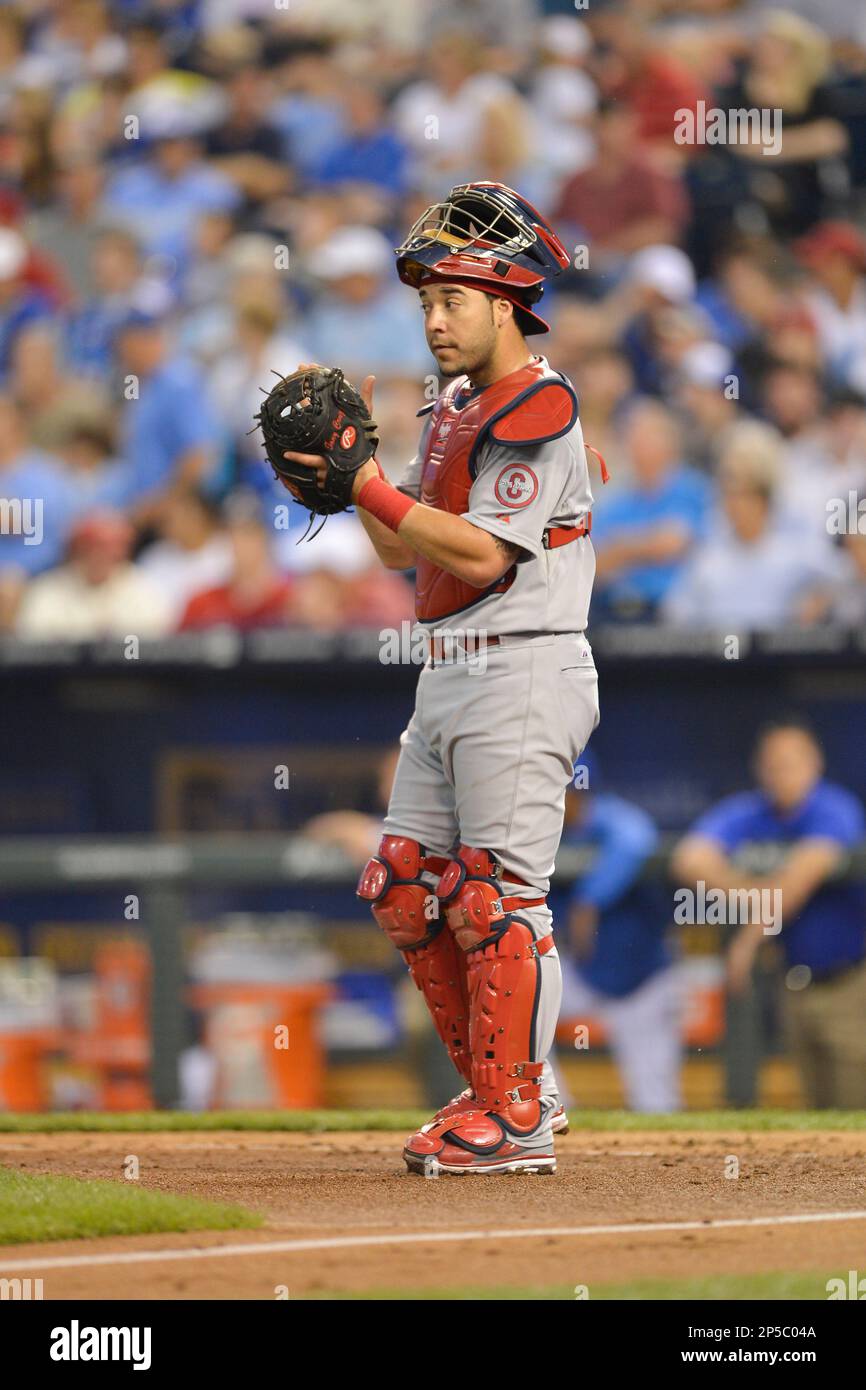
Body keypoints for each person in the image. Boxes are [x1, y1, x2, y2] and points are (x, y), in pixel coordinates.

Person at [281, 182, 601, 1174]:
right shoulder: (450, 406)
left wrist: (371, 486)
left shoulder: (540, 401)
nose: (432, 318)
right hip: (449, 670)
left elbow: (479, 556)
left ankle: (511, 1118)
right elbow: (404, 556)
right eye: (424, 300)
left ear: (505, 303)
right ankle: (507, 1089)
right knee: (404, 885)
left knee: (500, 898)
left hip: (523, 659)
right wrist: (348, 480)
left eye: (451, 298)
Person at [672, 719, 866, 1109]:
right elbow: (688, 858)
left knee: (854, 1111)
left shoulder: (834, 808)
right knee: (818, 1114)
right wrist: (751, 891)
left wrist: (748, 939)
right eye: (773, 764)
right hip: (794, 985)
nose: (781, 773)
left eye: (791, 762)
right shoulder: (751, 813)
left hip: (849, 984)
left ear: (815, 763)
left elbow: (797, 882)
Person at [557, 761, 682, 1113]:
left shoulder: (614, 820)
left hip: (642, 982)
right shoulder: (542, 829)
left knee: (656, 1104)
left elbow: (637, 837)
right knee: (518, 1013)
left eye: (562, 792)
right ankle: (550, 1105)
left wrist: (588, 900)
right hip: (582, 974)